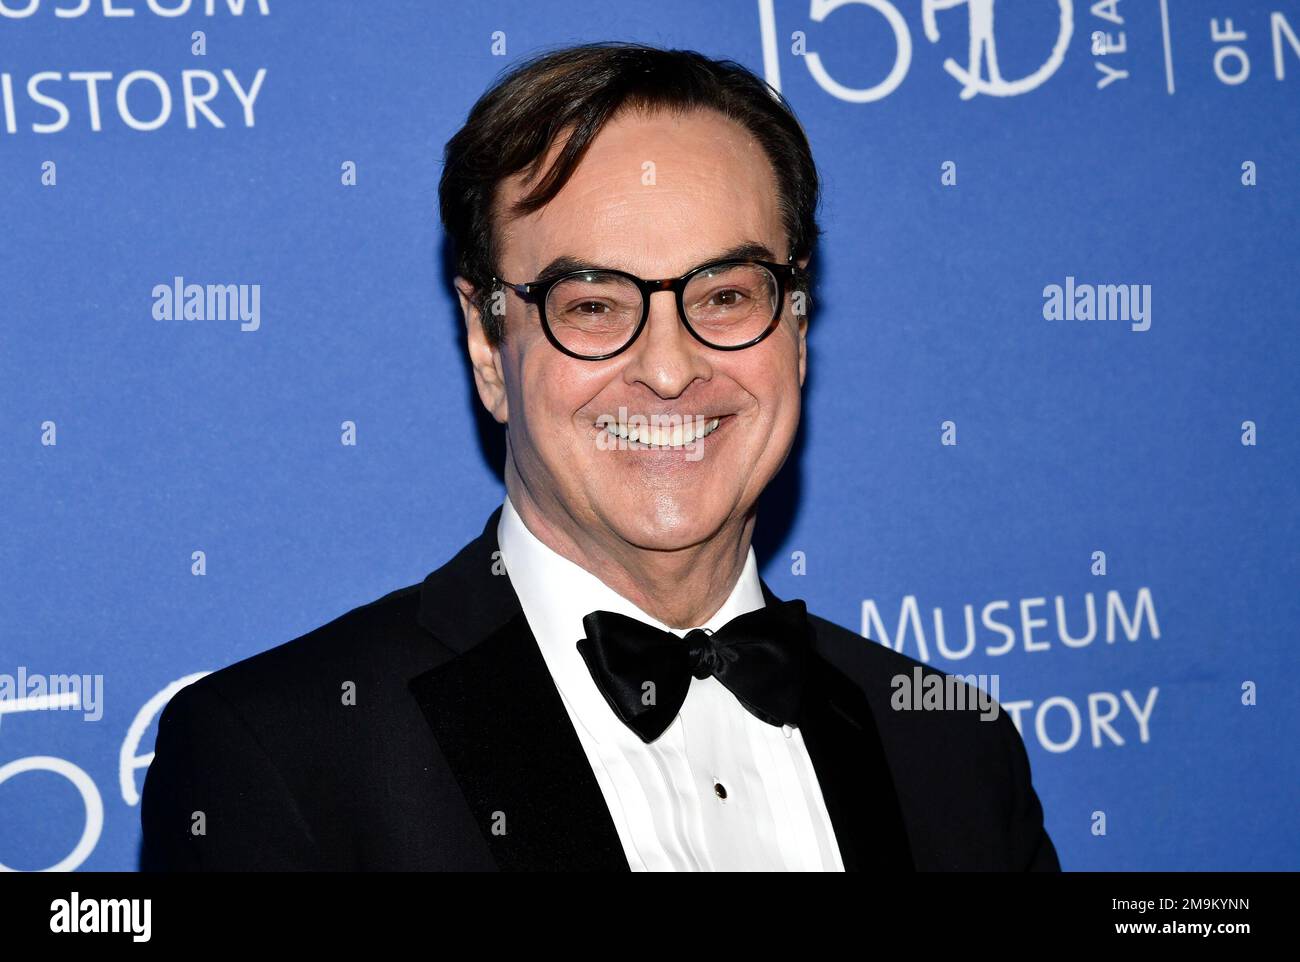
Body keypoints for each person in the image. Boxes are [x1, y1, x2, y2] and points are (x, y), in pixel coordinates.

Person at [140, 41, 1059, 872]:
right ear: (486, 345)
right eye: (592, 306)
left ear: (799, 325)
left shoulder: (950, 745)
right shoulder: (283, 755)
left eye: (728, 295)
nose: (668, 369)